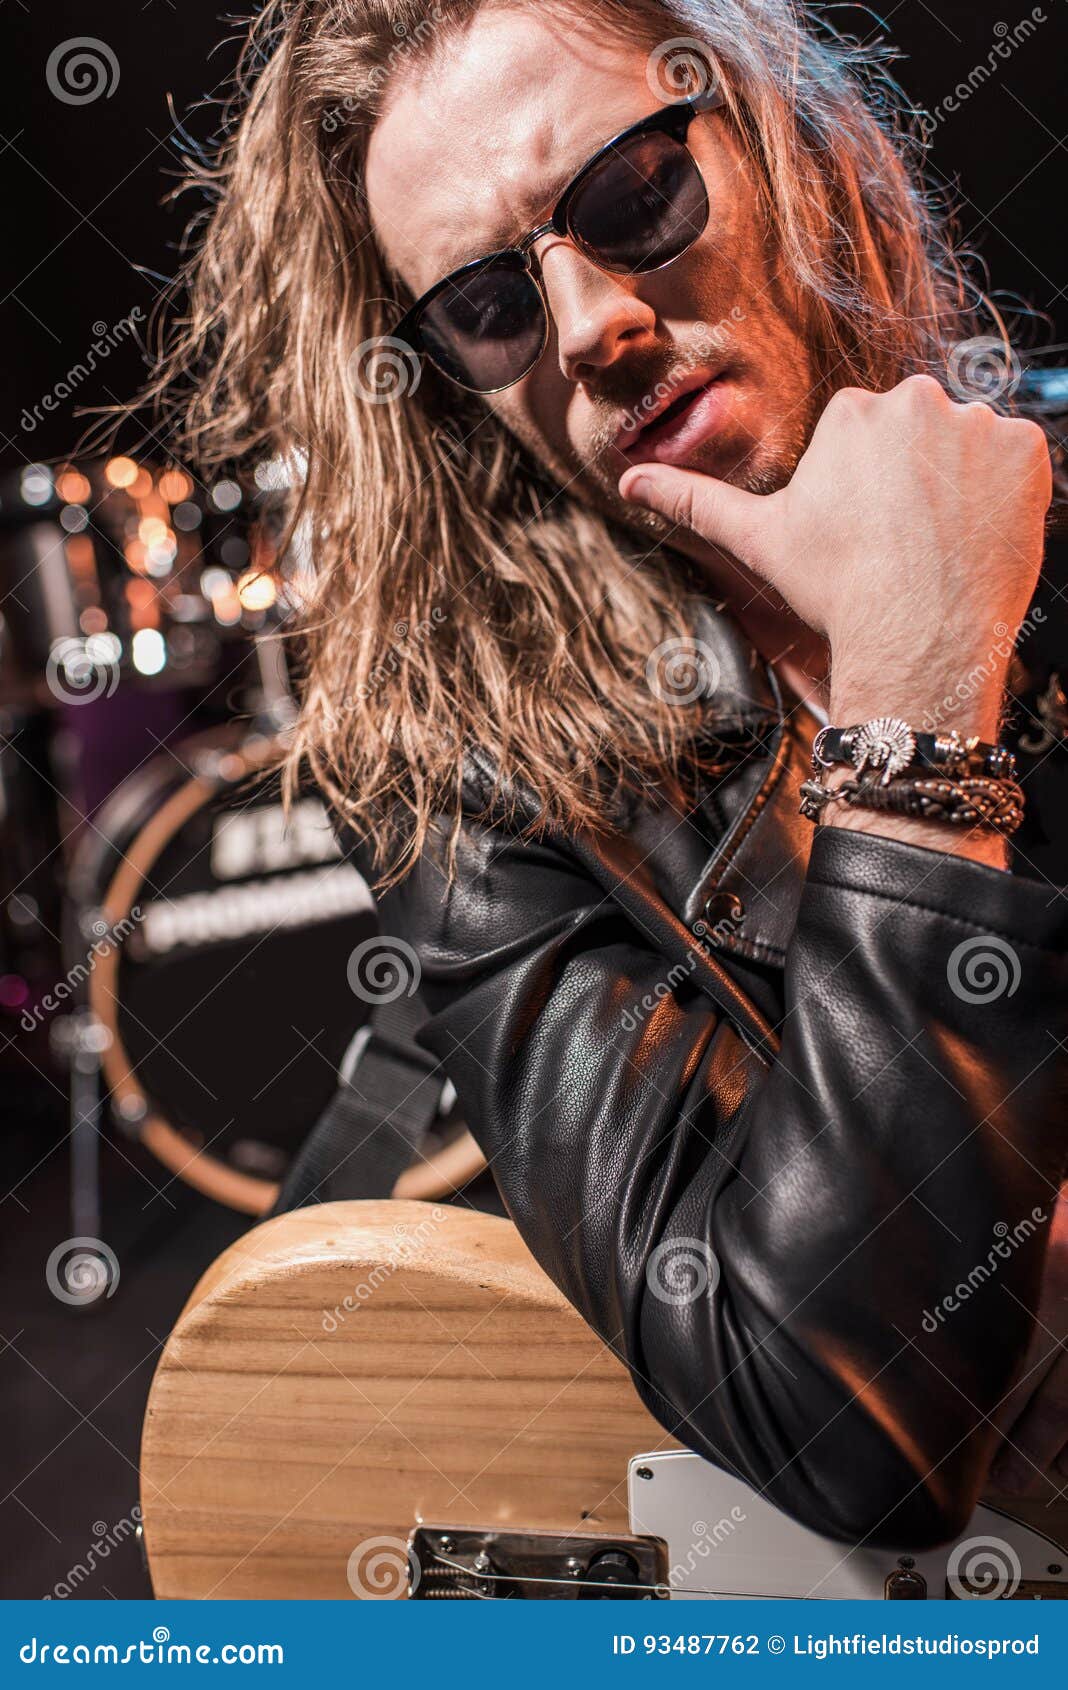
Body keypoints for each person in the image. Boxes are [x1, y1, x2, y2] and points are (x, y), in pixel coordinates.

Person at [154, 0, 1067, 1548]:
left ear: (778, 141)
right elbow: (853, 1429)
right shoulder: (475, 785)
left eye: (632, 196)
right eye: (491, 304)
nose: (586, 327)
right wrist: (917, 723)